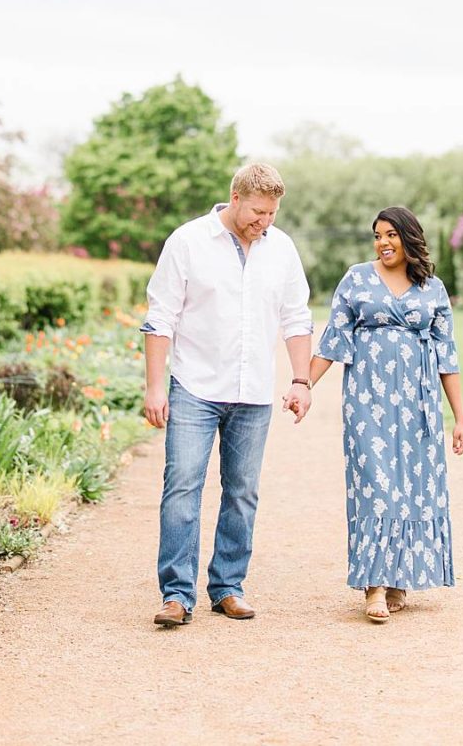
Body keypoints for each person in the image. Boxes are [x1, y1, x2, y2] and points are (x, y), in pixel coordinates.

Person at [140, 163, 313, 627]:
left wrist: (301, 380)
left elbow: (297, 318)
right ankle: (177, 594)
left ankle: (228, 586)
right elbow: (161, 318)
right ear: (234, 198)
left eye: (273, 213)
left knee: (242, 492)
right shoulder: (188, 241)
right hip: (195, 385)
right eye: (258, 212)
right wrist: (155, 387)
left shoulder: (282, 250)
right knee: (182, 489)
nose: (265, 221)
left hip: (253, 390)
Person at [305, 206, 463, 623]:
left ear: (409, 238)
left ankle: (400, 578)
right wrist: (303, 384)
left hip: (418, 403)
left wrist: (459, 419)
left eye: (391, 234)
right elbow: (333, 338)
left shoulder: (432, 288)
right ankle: (373, 584)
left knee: (413, 486)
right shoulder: (356, 278)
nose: (383, 243)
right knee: (374, 485)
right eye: (377, 235)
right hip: (367, 403)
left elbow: (447, 356)